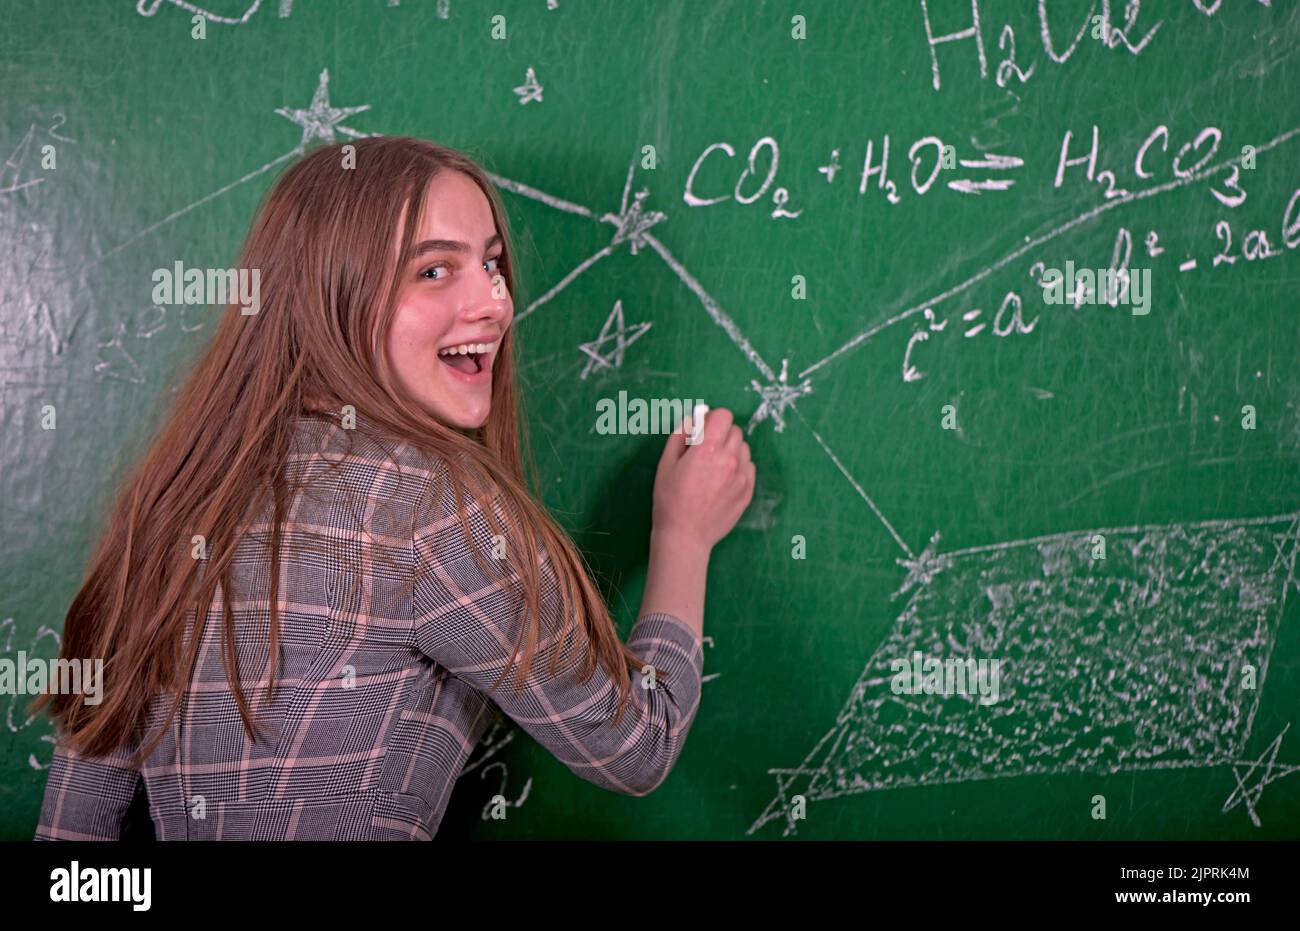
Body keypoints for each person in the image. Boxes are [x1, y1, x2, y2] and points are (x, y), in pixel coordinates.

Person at [32, 136, 755, 840]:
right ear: (331, 292)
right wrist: (682, 537)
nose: (496, 303)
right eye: (435, 271)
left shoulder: (171, 505)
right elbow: (635, 746)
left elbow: (74, 836)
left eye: (492, 265)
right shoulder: (430, 508)